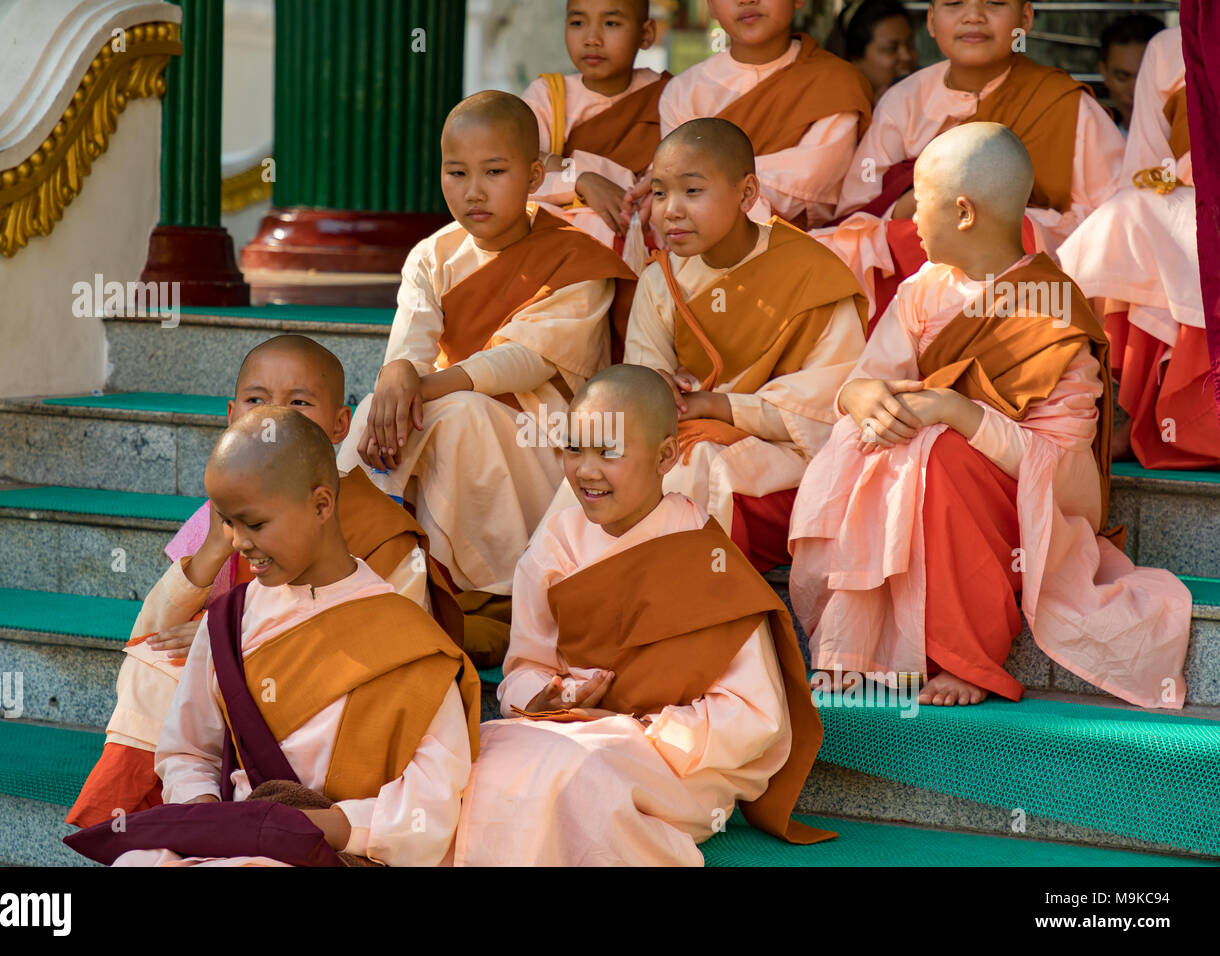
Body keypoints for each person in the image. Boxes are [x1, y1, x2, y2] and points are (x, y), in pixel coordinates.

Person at [789, 122, 1191, 709]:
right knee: (869, 441)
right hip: (931, 483)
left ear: (963, 212)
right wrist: (858, 400)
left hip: (1021, 504)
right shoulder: (923, 291)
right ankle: (864, 641)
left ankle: (967, 657)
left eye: (919, 204)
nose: (911, 222)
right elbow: (864, 381)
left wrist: (956, 410)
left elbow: (1058, 467)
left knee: (944, 452)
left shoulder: (1052, 312)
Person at [66, 335, 463, 830]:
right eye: (258, 400)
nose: (277, 417)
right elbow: (153, 635)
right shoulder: (227, 512)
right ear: (232, 412)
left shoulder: (381, 533)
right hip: (233, 799)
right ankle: (123, 808)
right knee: (153, 663)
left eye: (299, 402)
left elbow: (392, 649)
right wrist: (216, 559)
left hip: (337, 798)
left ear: (341, 424)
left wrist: (256, 642)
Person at [453, 365, 830, 866]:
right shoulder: (556, 544)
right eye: (573, 449)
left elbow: (753, 715)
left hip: (678, 760)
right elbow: (524, 666)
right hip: (569, 729)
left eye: (608, 452)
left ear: (666, 456)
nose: (586, 470)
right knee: (475, 764)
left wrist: (636, 729)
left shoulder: (701, 553)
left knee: (577, 775)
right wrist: (545, 698)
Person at [337, 91, 635, 617]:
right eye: (456, 173)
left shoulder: (576, 260)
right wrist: (399, 376)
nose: (473, 192)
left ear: (535, 177)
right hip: (447, 422)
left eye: (494, 172)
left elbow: (524, 359)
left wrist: (418, 386)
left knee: (453, 412)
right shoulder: (432, 254)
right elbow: (409, 343)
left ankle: (462, 587)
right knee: (371, 413)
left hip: (542, 445)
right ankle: (362, 562)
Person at [620, 118, 867, 570]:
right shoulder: (662, 279)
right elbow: (642, 381)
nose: (670, 210)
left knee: (685, 467)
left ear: (746, 194)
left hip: (783, 456)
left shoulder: (811, 274)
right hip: (684, 433)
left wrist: (716, 406)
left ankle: (678, 606)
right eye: (658, 193)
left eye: (692, 192)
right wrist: (662, 388)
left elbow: (828, 409)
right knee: (616, 459)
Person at [818, 0, 1124, 325]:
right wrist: (920, 205)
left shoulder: (1068, 106)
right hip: (912, 281)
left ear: (1025, 17)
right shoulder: (903, 102)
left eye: (994, 3)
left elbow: (1111, 223)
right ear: (932, 21)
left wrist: (1008, 227)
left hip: (1028, 294)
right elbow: (856, 215)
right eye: (954, 3)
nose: (974, 16)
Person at [1058, 26, 1219, 469]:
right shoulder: (1169, 46)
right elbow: (1146, 169)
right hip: (1193, 205)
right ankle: (1131, 409)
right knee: (1126, 214)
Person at [641, 0, 873, 232]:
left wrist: (701, 182)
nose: (747, 0)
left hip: (800, 248)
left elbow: (810, 183)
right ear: (711, 6)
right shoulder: (683, 92)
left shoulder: (836, 84)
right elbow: (677, 188)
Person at [522, 0, 669, 269]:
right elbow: (518, 170)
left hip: (643, 245)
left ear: (646, 33)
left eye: (611, 23)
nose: (591, 39)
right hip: (563, 255)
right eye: (577, 23)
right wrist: (582, 182)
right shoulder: (548, 96)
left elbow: (678, 174)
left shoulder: (667, 95)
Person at [825, 0, 918, 101]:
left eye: (910, 45)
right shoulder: (837, 110)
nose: (906, 56)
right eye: (891, 49)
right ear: (854, 57)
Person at [1098, 13, 1165, 134]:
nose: (1134, 91)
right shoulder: (1089, 144)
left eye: (1145, 78)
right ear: (1104, 72)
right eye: (1122, 77)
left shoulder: (1190, 146)